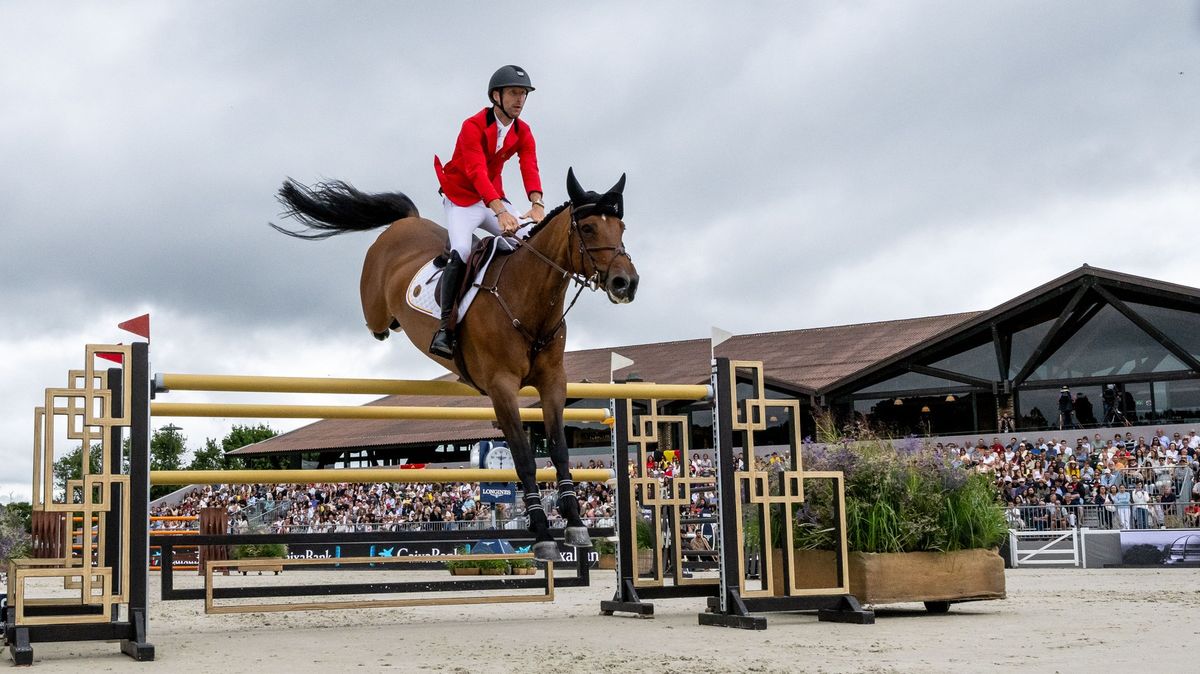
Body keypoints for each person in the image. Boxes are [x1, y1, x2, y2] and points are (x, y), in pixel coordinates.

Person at [430, 65, 545, 358]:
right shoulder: (472, 125)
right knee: (462, 250)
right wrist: (500, 211)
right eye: (514, 93)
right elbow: (476, 171)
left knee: (530, 239)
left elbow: (529, 165)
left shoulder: (523, 131)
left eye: (524, 94)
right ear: (496, 96)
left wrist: (537, 204)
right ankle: (445, 329)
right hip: (462, 198)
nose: (520, 99)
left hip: (493, 197)